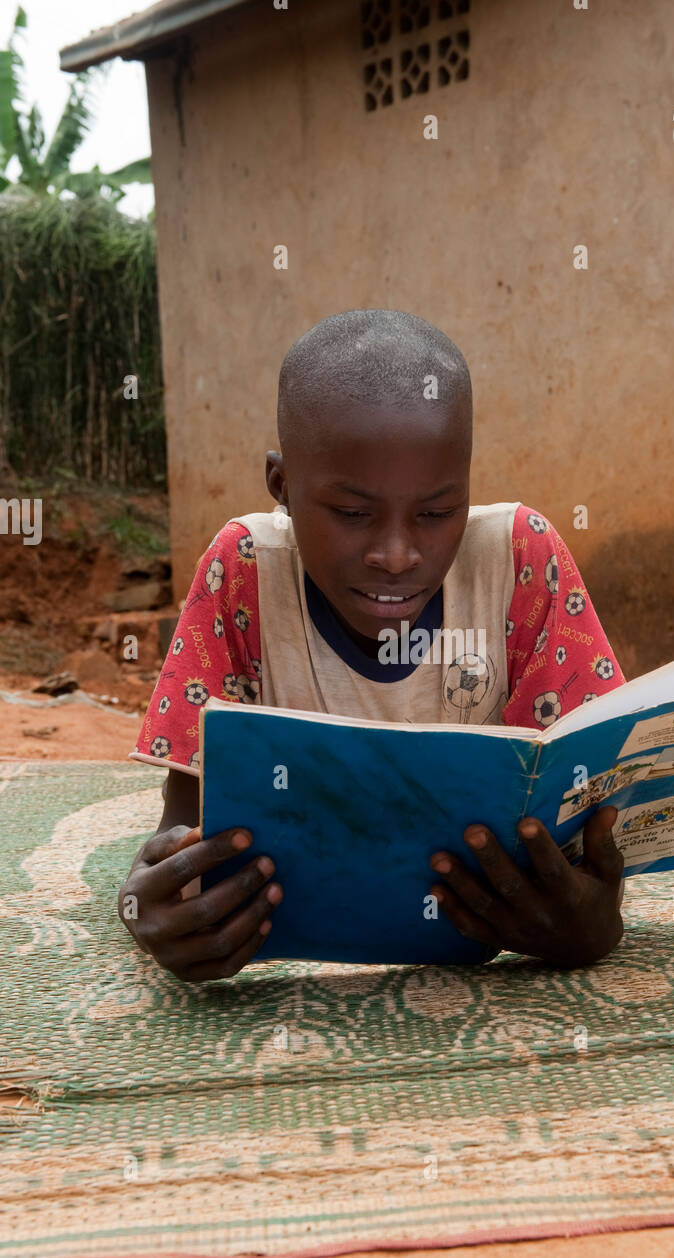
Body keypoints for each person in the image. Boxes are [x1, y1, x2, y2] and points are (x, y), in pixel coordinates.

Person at [118, 309, 627, 981]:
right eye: (353, 514)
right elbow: (180, 839)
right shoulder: (245, 573)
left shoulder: (519, 563)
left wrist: (594, 924)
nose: (396, 554)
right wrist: (153, 910)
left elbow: (595, 838)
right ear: (282, 486)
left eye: (438, 512)